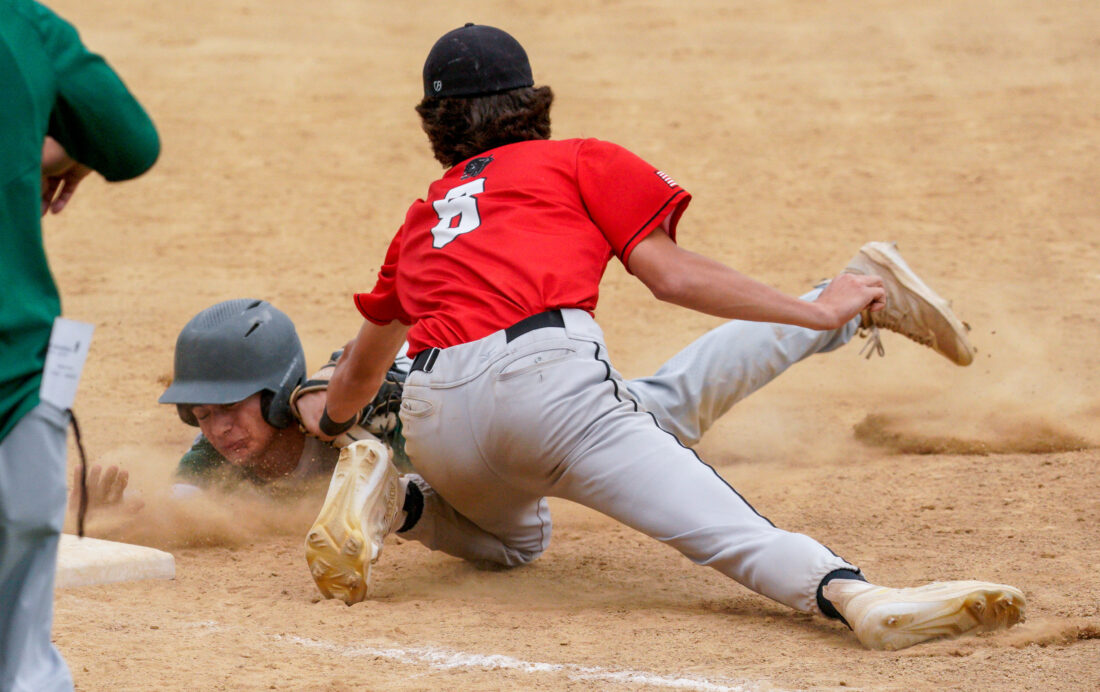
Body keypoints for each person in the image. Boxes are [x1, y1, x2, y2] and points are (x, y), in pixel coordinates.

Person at [303, 23, 1024, 652]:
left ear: (436, 125)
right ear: (533, 104)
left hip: (438, 416)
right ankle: (856, 596)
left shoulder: (425, 215)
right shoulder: (579, 158)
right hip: (550, 390)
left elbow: (363, 369)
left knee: (519, 541)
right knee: (715, 513)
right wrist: (820, 311)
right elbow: (672, 277)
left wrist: (334, 428)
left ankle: (400, 502)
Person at [0, 1, 159, 689]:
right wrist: (57, 146)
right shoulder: (21, 25)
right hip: (10, 365)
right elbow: (129, 143)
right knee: (21, 659)